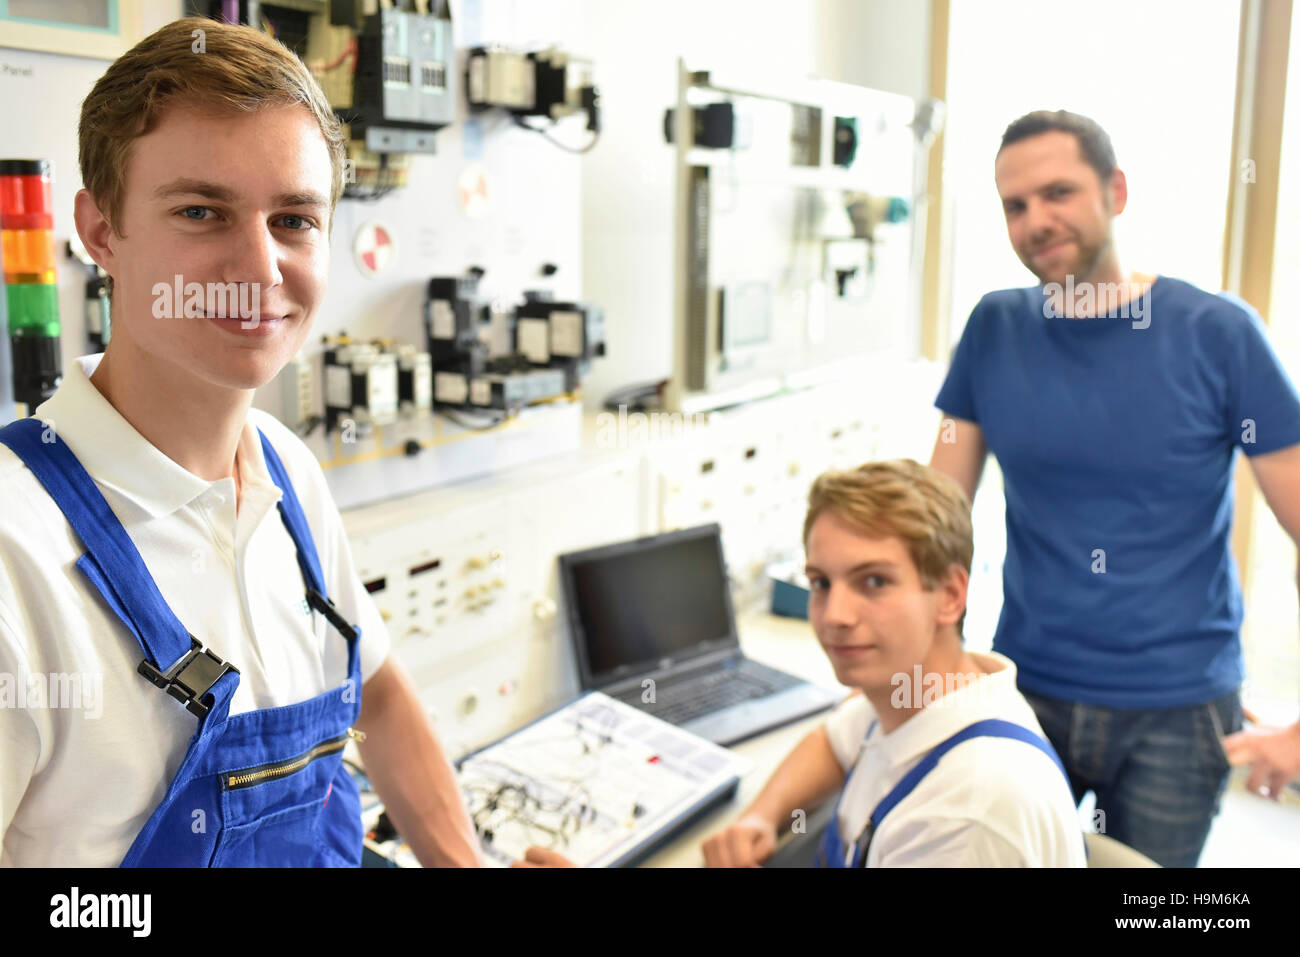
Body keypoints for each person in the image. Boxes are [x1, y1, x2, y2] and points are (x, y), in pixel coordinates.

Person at [0, 16, 480, 867]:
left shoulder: (285, 473)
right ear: (101, 230)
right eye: (200, 211)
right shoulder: (16, 554)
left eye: (295, 219)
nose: (260, 268)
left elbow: (383, 699)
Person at [929, 109, 1300, 867]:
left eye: (1058, 192)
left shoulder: (1220, 333)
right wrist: (928, 668)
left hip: (1177, 708)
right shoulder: (994, 328)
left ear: (1116, 191)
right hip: (1022, 687)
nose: (1037, 220)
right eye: (1015, 205)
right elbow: (932, 520)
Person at [696, 460, 1085, 867]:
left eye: (874, 582)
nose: (835, 616)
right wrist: (761, 816)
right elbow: (833, 741)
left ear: (951, 595)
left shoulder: (965, 817)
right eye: (821, 583)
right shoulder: (914, 691)